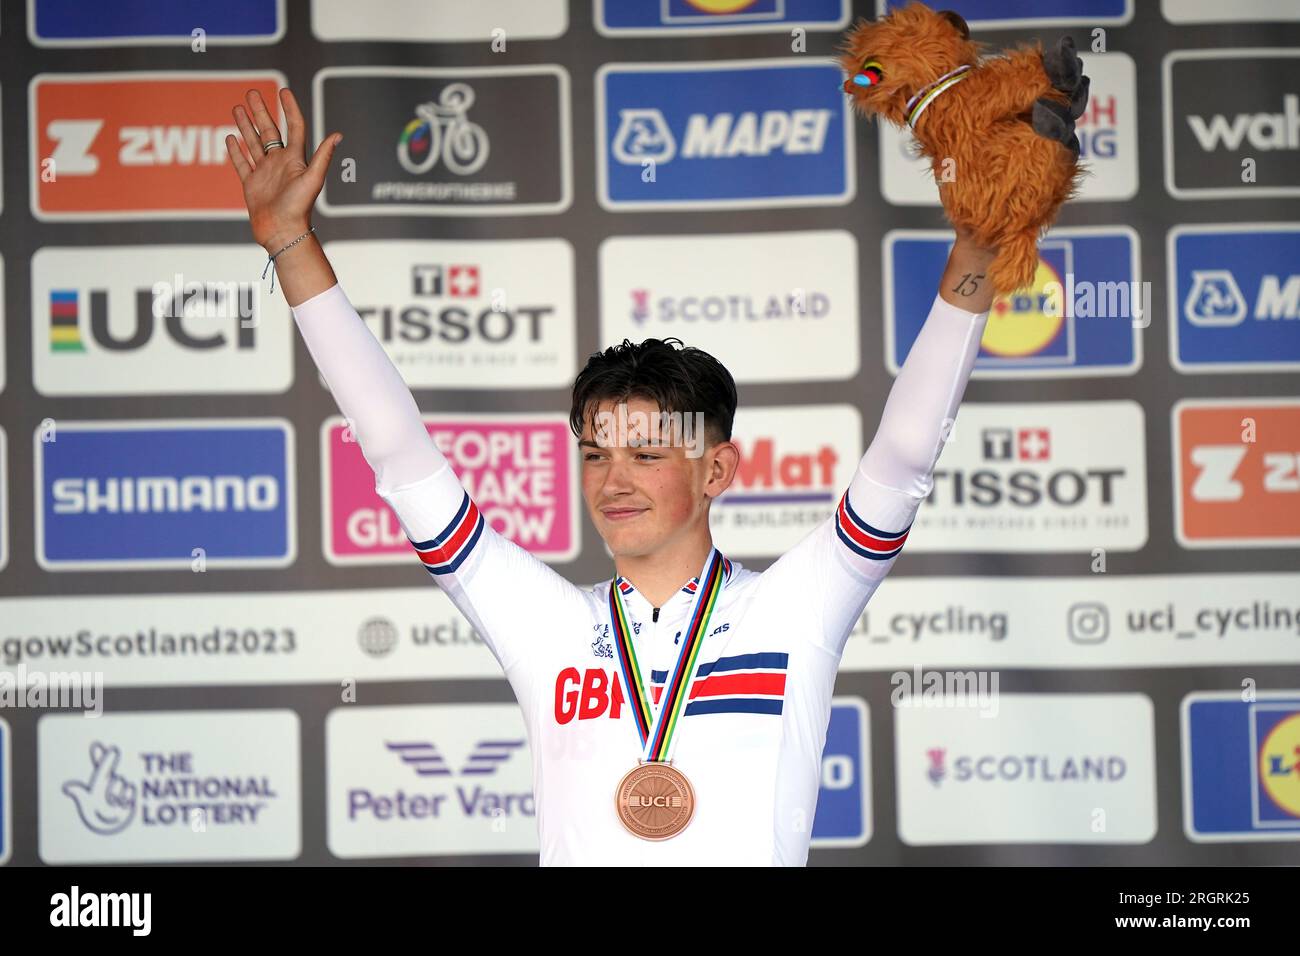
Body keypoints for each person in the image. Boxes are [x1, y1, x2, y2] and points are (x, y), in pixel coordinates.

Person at [226, 87, 998, 866]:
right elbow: (398, 453)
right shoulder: (546, 624)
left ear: (716, 469)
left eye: (648, 453)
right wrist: (291, 240)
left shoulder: (796, 607)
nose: (612, 480)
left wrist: (974, 250)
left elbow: (904, 455)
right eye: (596, 453)